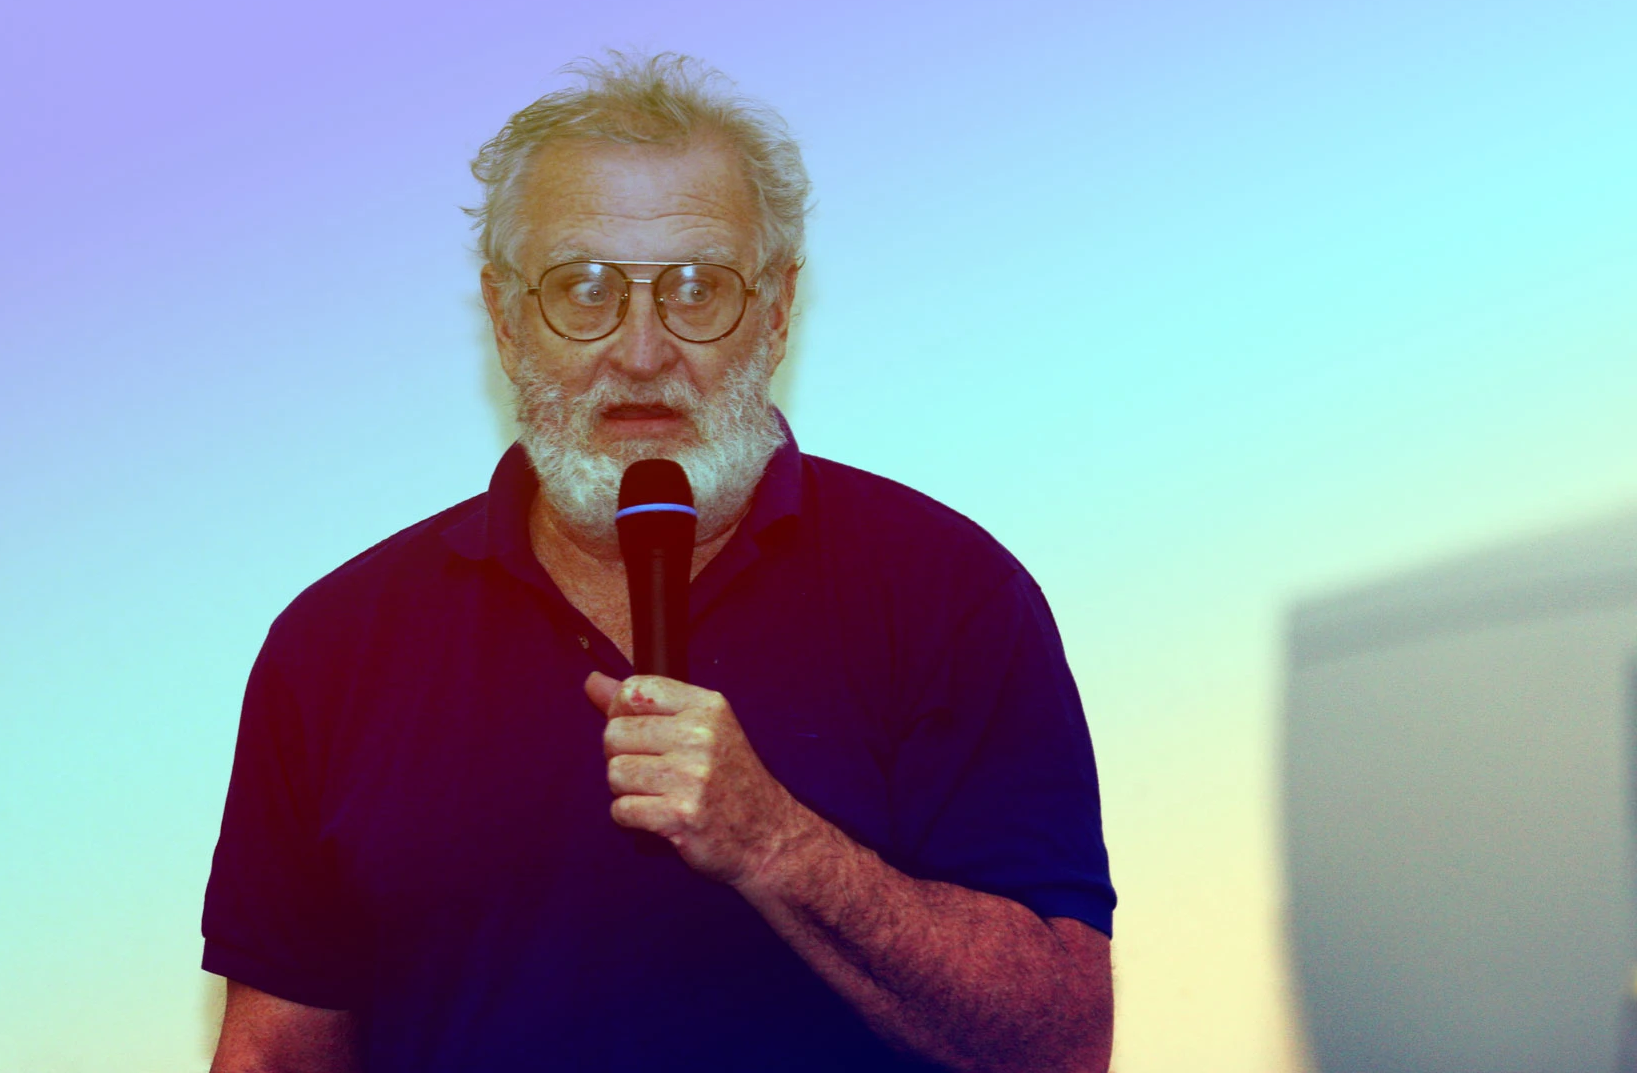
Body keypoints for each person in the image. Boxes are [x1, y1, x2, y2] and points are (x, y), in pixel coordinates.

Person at [202, 52, 1114, 1073]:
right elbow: (274, 1054)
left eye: (698, 289)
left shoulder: (953, 598)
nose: (642, 351)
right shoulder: (336, 647)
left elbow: (1062, 1045)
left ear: (777, 310)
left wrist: (775, 842)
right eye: (584, 289)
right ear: (506, 319)